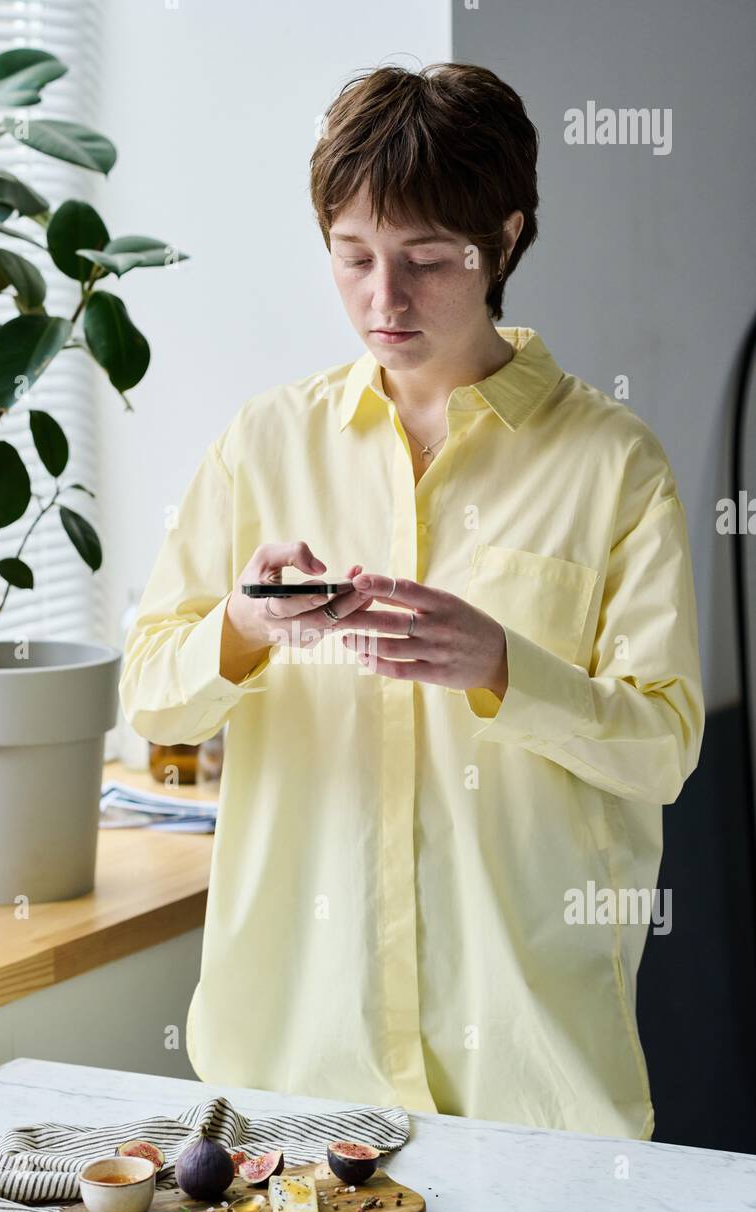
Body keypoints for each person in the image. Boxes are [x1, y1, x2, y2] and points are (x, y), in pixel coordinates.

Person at [119, 62, 705, 1140]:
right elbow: (152, 701)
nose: (380, 301)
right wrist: (245, 628)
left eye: (425, 260)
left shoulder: (613, 466)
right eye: (353, 259)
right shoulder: (263, 445)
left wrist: (500, 667)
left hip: (534, 1085)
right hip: (285, 1069)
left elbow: (661, 747)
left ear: (505, 240)